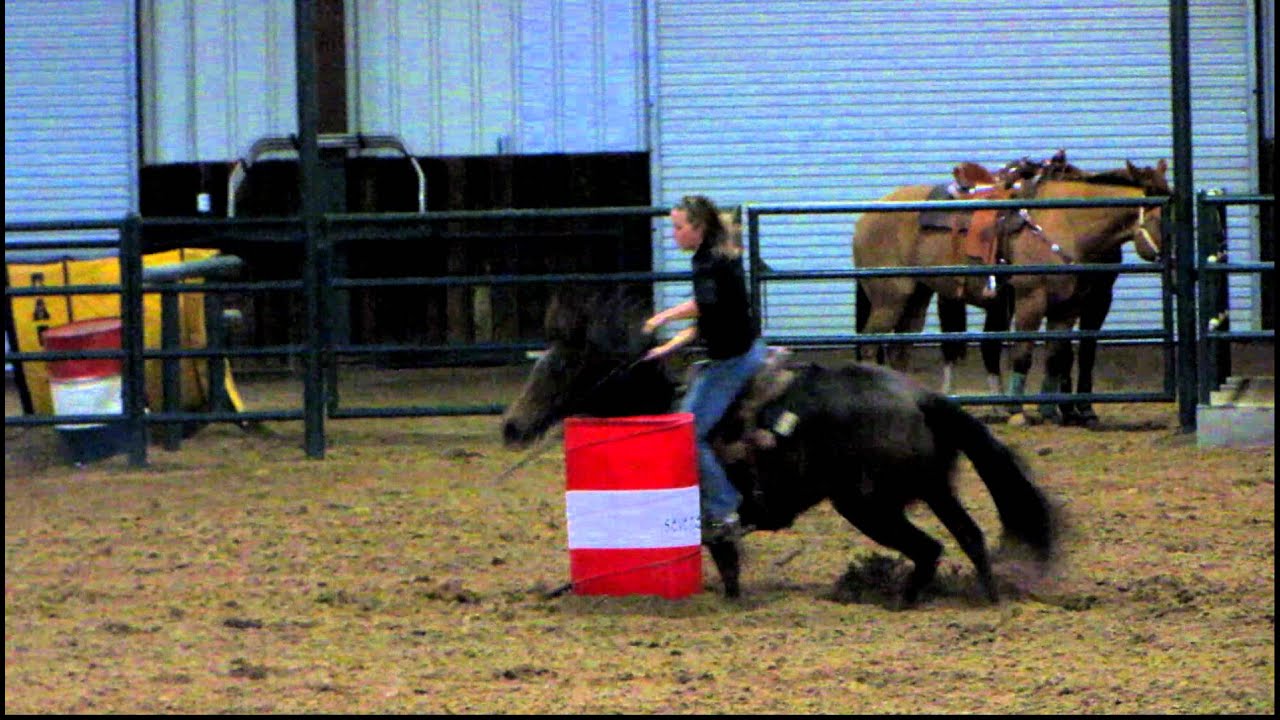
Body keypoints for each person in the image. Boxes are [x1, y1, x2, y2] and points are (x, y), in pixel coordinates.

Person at [643, 195, 767, 545]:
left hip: (732, 360)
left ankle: (725, 506)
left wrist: (663, 317)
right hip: (744, 347)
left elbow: (702, 309)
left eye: (679, 227)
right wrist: (666, 347)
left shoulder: (708, 262)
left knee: (685, 432)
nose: (675, 234)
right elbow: (709, 317)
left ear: (697, 228)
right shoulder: (715, 253)